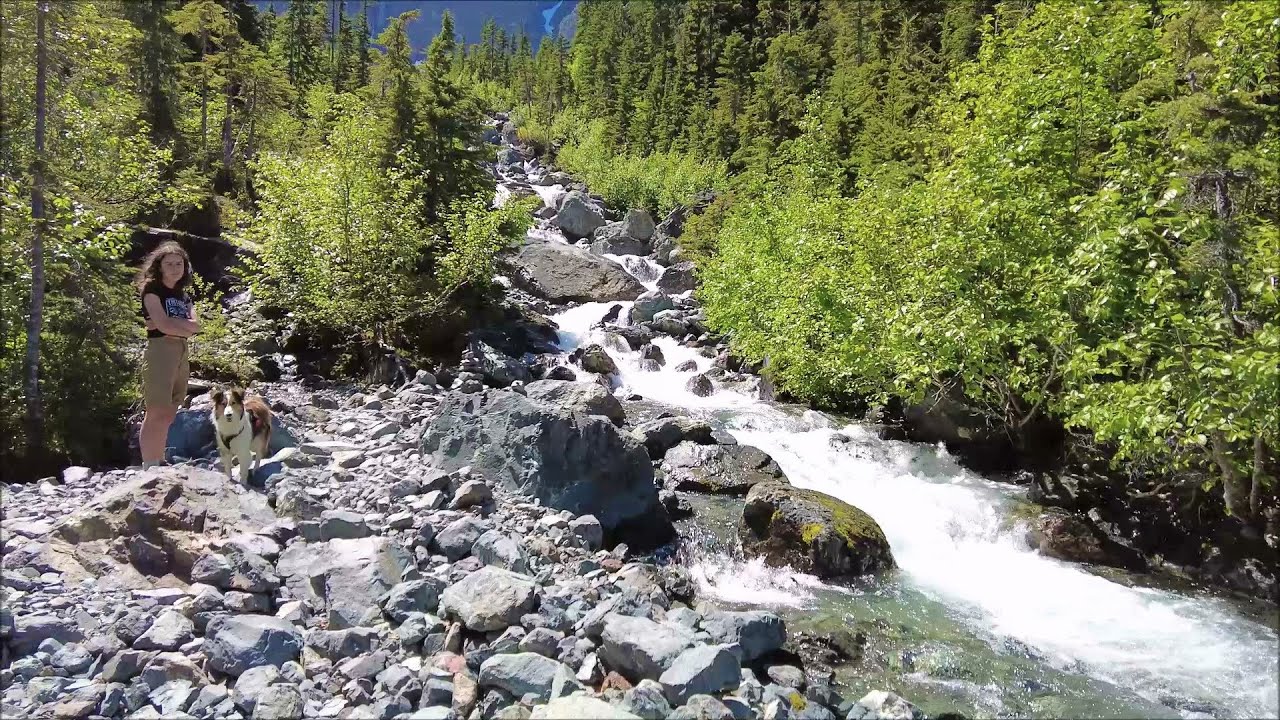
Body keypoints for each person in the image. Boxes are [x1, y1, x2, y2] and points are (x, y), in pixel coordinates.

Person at [136, 241, 200, 469]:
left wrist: (173, 324)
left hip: (181, 351)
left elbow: (196, 326)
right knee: (156, 409)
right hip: (160, 349)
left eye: (179, 263)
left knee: (171, 409)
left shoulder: (183, 295)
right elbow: (161, 325)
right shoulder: (152, 290)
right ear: (159, 266)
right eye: (169, 263)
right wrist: (177, 325)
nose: (175, 267)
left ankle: (159, 459)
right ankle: (150, 463)